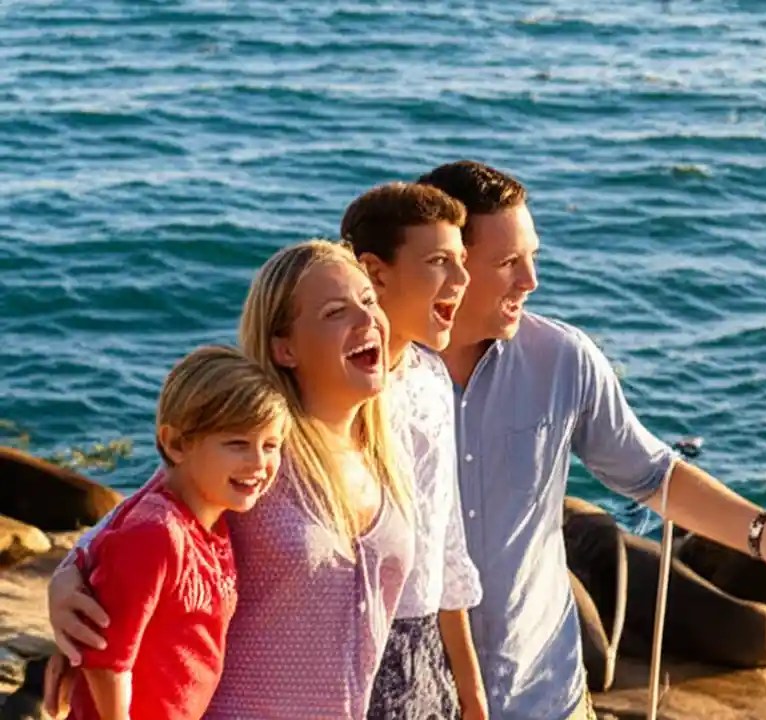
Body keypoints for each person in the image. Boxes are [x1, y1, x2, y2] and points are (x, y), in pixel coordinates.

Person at [415, 161, 766, 720]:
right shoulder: (375, 378)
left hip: (547, 695)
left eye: (532, 257)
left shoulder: (563, 361)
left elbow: (653, 475)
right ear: (447, 264)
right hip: (415, 701)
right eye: (507, 263)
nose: (531, 280)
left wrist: (763, 534)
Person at [49, 240, 419, 719]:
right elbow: (138, 522)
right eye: (335, 312)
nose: (367, 320)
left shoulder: (386, 454)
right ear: (284, 348)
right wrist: (66, 578)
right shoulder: (257, 457)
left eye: (369, 301)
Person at [68, 345, 289, 720]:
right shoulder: (156, 534)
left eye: (271, 445)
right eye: (237, 444)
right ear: (175, 443)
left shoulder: (214, 526)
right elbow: (107, 659)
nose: (259, 463)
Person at [340, 181, 487, 720]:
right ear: (376, 273)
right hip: (350, 651)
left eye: (463, 261)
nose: (463, 279)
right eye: (440, 261)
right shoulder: (325, 389)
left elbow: (445, 544)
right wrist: (84, 566)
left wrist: (469, 690)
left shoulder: (429, 380)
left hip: (424, 652)